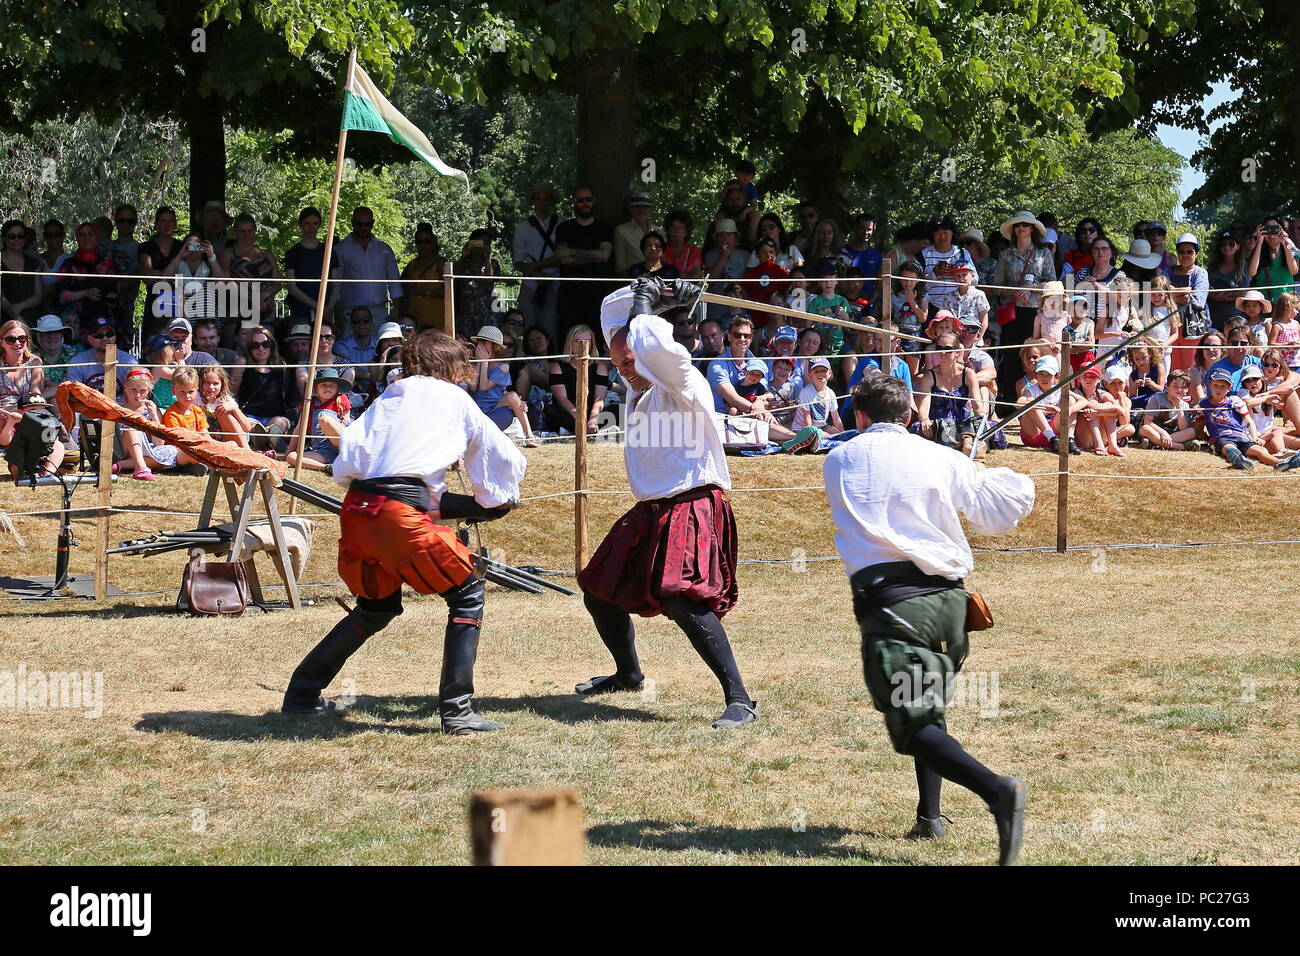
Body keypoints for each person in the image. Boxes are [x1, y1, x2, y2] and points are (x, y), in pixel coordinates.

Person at [824, 373, 1034, 863]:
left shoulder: (840, 458)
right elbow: (998, 513)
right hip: (950, 608)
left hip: (898, 607)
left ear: (859, 416)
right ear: (912, 415)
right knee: (928, 709)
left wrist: (959, 464)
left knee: (911, 723)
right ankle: (930, 818)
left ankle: (998, 791)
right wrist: (968, 466)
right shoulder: (942, 457)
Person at [282, 330, 527, 734]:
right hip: (399, 513)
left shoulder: (388, 398)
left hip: (359, 508)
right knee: (467, 593)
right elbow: (501, 455)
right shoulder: (451, 397)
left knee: (376, 608)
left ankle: (302, 694)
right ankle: (457, 710)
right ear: (450, 367)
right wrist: (497, 499)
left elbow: (349, 466)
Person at [578, 279, 758, 729]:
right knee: (599, 589)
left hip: (693, 499)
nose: (626, 368)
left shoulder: (683, 380)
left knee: (682, 595)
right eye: (618, 362)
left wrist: (645, 310)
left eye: (631, 358)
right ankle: (628, 674)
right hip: (653, 508)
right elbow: (623, 330)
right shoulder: (639, 394)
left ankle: (740, 698)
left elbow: (657, 347)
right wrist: (649, 301)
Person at [993, 211, 1055, 403]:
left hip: (1035, 311)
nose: (1021, 228)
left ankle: (1037, 400)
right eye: (1017, 225)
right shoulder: (1005, 255)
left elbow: (1052, 283)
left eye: (1025, 225)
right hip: (1012, 311)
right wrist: (1014, 291)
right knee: (1012, 354)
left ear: (1032, 229)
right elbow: (997, 286)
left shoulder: (1043, 253)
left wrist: (1031, 288)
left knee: (1035, 355)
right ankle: (1012, 401)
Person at [1200, 368, 1300, 470]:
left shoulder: (1234, 401)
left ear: (1229, 388)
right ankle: (1240, 460)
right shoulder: (1203, 404)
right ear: (1209, 384)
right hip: (1222, 436)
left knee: (1260, 450)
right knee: (1229, 448)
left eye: (1223, 386)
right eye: (1216, 385)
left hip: (1242, 435)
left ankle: (1279, 463)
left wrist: (1254, 437)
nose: (1219, 389)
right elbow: (1198, 422)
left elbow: (1248, 420)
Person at [555, 186, 615, 347]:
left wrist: (572, 253)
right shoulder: (564, 228)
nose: (585, 204)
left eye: (588, 199)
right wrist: (592, 256)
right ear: (574, 202)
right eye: (580, 200)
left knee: (599, 338)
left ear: (594, 201)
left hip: (598, 293)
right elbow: (561, 256)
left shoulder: (605, 228)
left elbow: (604, 256)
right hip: (570, 293)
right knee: (567, 337)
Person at [911, 332, 983, 454]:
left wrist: (981, 417)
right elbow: (923, 407)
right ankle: (963, 444)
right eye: (939, 348)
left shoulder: (968, 373)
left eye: (948, 349)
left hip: (962, 425)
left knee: (985, 427)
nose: (943, 353)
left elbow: (978, 405)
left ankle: (966, 441)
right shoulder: (930, 376)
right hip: (938, 426)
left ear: (957, 352)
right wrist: (924, 419)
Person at [333, 206, 400, 333]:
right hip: (350, 311)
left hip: (379, 312)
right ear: (352, 222)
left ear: (373, 223)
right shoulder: (340, 249)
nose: (363, 227)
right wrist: (337, 312)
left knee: (380, 348)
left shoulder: (384, 250)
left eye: (367, 224)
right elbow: (336, 284)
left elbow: (394, 281)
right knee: (349, 349)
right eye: (359, 224)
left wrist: (396, 310)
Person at [469, 325, 538, 445]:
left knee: (512, 396)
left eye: (485, 343)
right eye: (480, 342)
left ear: (495, 347)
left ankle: (529, 436)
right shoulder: (475, 365)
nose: (480, 346)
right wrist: (480, 364)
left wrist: (484, 362)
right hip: (477, 412)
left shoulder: (503, 367)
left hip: (493, 409)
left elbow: (484, 386)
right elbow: (474, 387)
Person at [512, 184, 564, 338]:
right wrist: (535, 273)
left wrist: (538, 267)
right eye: (539, 199)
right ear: (533, 202)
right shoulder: (523, 227)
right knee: (528, 323)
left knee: (553, 324)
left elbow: (562, 255)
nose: (542, 203)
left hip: (555, 280)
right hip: (531, 282)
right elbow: (518, 260)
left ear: (551, 202)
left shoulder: (562, 224)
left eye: (546, 199)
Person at [219, 214, 280, 342]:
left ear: (255, 232)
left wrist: (262, 296)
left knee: (265, 347)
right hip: (237, 309)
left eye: (250, 231)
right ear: (235, 232)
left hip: (264, 308)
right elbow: (225, 282)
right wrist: (253, 299)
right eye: (242, 231)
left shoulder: (267, 254)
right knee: (235, 345)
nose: (246, 235)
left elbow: (278, 283)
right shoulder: (227, 254)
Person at [235, 325, 294, 455]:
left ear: (272, 345)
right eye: (255, 345)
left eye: (265, 344)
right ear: (249, 348)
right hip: (251, 416)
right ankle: (267, 441)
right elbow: (233, 391)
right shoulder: (243, 362)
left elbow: (286, 393)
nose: (261, 348)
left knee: (278, 424)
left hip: (275, 415)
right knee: (253, 426)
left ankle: (268, 439)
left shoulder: (281, 365)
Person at [543, 324, 609, 436]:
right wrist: (579, 418)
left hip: (593, 412)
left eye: (586, 341)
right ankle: (574, 430)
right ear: (570, 343)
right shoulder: (558, 367)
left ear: (591, 344)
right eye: (577, 341)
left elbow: (599, 398)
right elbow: (561, 399)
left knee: (617, 410)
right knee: (551, 411)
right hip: (570, 412)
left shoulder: (600, 367)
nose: (581, 345)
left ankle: (594, 430)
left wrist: (593, 419)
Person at [286, 367, 352, 473]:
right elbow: (299, 429)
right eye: (323, 385)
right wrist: (288, 452)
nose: (328, 388)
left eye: (332, 385)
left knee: (325, 419)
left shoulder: (341, 399)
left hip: (342, 448)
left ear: (337, 388)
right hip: (323, 451)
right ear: (316, 388)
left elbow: (347, 424)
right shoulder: (309, 403)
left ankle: (346, 460)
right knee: (292, 457)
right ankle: (328, 468)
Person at [283, 207, 338, 325]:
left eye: (315, 223)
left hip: (326, 312)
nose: (311, 227)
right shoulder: (292, 253)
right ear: (300, 225)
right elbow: (292, 287)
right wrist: (317, 306)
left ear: (319, 225)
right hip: (300, 312)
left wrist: (329, 307)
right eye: (307, 223)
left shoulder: (328, 251)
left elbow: (336, 283)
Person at [138, 207, 183, 340]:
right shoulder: (146, 247)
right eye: (163, 221)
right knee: (153, 342)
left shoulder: (181, 247)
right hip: (154, 300)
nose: (167, 224)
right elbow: (147, 277)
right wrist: (170, 274)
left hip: (178, 299)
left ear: (175, 224)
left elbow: (185, 274)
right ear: (156, 224)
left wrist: (158, 274)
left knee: (177, 339)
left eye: (170, 221)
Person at [65, 316, 139, 392]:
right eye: (99, 335)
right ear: (90, 339)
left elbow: (135, 393)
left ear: (115, 336)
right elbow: (75, 394)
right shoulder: (77, 363)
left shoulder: (129, 362)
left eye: (109, 334)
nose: (105, 338)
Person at [453, 229, 502, 340]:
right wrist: (463, 256)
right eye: (479, 242)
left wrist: (487, 258)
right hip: (464, 313)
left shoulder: (493, 263)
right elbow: (452, 278)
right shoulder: (463, 262)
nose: (482, 246)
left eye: (486, 243)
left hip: (485, 313)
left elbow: (490, 280)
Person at [396, 225, 445, 332]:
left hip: (434, 313)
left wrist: (426, 292)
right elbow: (401, 288)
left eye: (427, 241)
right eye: (419, 242)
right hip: (414, 313)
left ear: (434, 243)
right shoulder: (412, 264)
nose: (423, 245)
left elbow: (450, 291)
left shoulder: (440, 263)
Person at [198, 365, 258, 450]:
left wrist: (234, 409)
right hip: (208, 439)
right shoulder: (196, 397)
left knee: (224, 411)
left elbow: (247, 428)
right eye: (207, 383)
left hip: (231, 437)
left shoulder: (226, 399)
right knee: (198, 412)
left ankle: (247, 452)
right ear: (200, 383)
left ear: (222, 384)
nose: (211, 387)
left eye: (215, 383)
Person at [1138, 369, 1200, 450]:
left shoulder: (1185, 405)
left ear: (1187, 390)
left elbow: (1183, 428)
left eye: (1183, 387)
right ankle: (1180, 446)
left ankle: (1155, 442)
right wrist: (1163, 433)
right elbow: (1147, 422)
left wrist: (1178, 408)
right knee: (1145, 429)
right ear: (1168, 386)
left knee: (1192, 432)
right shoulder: (1156, 398)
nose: (1179, 390)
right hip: (1155, 430)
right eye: (1175, 386)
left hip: (1172, 433)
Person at [1, 219, 49, 325]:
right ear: (4, 238)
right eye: (12, 236)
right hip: (4, 320)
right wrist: (15, 316)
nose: (17, 239)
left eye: (20, 235)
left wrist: (20, 306)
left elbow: (38, 295)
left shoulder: (34, 263)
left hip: (31, 319)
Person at [1247, 215, 1298, 304]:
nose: (1272, 234)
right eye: (1268, 229)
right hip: (1264, 305)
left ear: (1282, 230)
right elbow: (1252, 272)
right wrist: (1259, 242)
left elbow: (1294, 271)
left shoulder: (1290, 248)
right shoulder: (1258, 251)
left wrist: (1284, 241)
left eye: (1275, 229)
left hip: (1286, 304)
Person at [1206, 231, 1248, 329]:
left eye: (1231, 244)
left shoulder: (1244, 266)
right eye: (1223, 244)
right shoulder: (1212, 267)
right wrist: (1216, 297)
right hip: (1214, 316)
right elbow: (1206, 289)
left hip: (1236, 317)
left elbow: (1244, 291)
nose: (1227, 247)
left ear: (1238, 246)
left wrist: (1222, 296)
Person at [791, 357, 844, 434]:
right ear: (810, 375)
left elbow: (836, 418)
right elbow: (807, 420)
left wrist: (842, 433)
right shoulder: (805, 392)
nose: (820, 374)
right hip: (802, 429)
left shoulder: (831, 393)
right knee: (826, 436)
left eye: (823, 370)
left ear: (829, 374)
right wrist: (812, 435)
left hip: (821, 426)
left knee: (840, 434)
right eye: (816, 371)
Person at [30, 314, 78, 398]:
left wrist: (51, 387)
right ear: (38, 337)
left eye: (56, 332)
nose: (51, 336)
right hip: (43, 407)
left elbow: (76, 386)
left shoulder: (75, 354)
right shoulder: (31, 358)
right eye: (46, 333)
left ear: (63, 335)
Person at [613, 191, 655, 275]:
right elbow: (620, 266)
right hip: (633, 281)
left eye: (645, 207)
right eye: (637, 207)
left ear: (651, 209)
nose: (641, 210)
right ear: (631, 209)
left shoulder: (660, 232)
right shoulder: (621, 231)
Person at [661, 209, 704, 279]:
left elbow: (697, 277)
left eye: (680, 228)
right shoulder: (660, 249)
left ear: (686, 231)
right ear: (668, 230)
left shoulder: (693, 250)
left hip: (688, 289)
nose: (676, 231)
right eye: (673, 227)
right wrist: (684, 276)